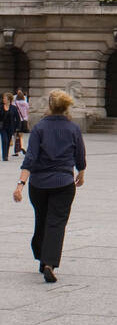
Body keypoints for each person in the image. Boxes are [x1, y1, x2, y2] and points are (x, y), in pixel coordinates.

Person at [13, 88, 86, 283]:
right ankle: (49, 263)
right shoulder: (73, 128)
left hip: (38, 184)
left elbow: (30, 158)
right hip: (64, 183)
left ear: (50, 106)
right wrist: (81, 171)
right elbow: (80, 155)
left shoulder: (40, 128)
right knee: (56, 223)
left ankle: (41, 255)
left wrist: (20, 184)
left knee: (42, 219)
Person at [1, 92, 21, 162]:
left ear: (9, 99)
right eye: (3, 98)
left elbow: (18, 118)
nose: (3, 99)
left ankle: (6, 155)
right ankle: (4, 156)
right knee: (4, 140)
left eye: (5, 98)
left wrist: (18, 127)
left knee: (8, 141)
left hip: (10, 127)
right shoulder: (1, 107)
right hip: (2, 127)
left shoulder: (13, 108)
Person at [13, 88, 29, 156]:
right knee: (21, 135)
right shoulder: (25, 103)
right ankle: (22, 147)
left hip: (17, 120)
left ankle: (17, 151)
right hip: (24, 120)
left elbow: (14, 112)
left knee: (16, 135)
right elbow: (27, 111)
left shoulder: (15, 103)